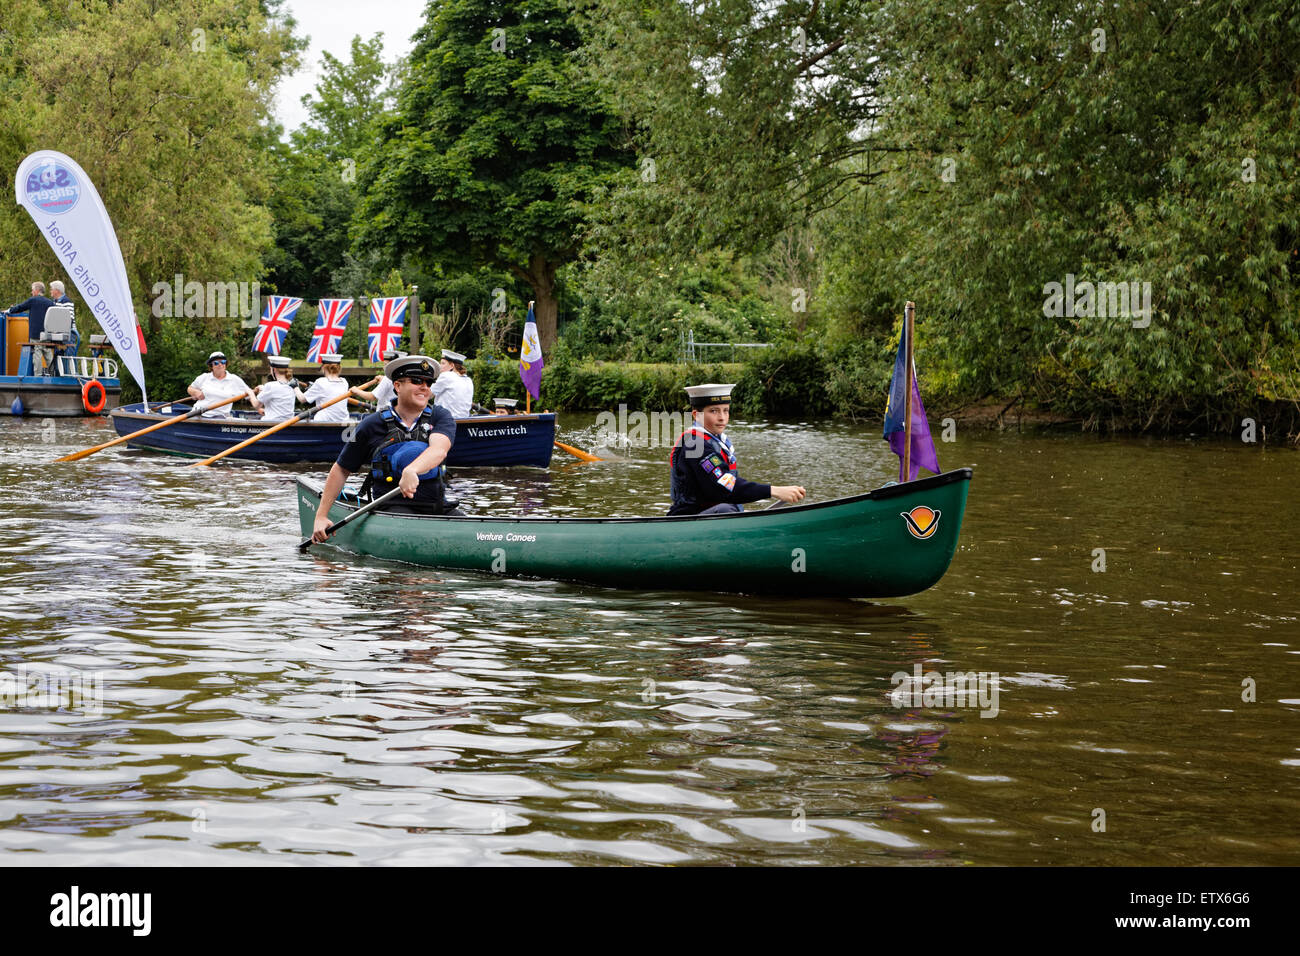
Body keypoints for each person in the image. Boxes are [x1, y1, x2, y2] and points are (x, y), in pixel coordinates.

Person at [311, 355, 460, 542]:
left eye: (429, 383)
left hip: (436, 506)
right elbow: (342, 468)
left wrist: (412, 469)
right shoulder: (371, 424)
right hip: (390, 510)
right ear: (397, 386)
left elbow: (439, 450)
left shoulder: (440, 416)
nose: (424, 387)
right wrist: (321, 516)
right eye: (416, 381)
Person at [667, 383, 806, 516]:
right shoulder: (695, 444)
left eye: (726, 411)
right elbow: (725, 486)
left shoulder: (715, 441)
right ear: (696, 415)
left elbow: (729, 486)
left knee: (732, 507)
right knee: (726, 509)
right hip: (689, 517)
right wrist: (773, 491)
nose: (722, 418)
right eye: (714, 411)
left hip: (710, 513)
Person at [188, 351, 261, 418]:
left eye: (223, 362)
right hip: (197, 413)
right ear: (211, 366)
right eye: (216, 363)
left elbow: (249, 394)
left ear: (226, 364)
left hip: (219, 416)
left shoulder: (234, 379)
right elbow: (190, 388)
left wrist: (259, 409)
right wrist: (195, 392)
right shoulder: (204, 377)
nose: (220, 365)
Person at [3, 281, 56, 374]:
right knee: (48, 355)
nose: (31, 292)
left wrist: (8, 311)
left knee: (37, 356)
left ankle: (38, 377)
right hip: (47, 335)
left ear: (36, 290)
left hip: (35, 335)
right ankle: (54, 375)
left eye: (32, 290)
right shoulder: (50, 302)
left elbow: (20, 307)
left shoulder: (32, 300)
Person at [299, 353, 352, 423]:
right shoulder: (344, 382)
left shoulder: (320, 382)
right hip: (343, 421)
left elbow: (302, 399)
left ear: (324, 367)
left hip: (323, 421)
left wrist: (295, 387)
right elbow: (329, 391)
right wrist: (314, 388)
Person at [253, 355, 303, 421]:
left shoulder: (270, 386)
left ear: (274, 369)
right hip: (288, 423)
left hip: (271, 424)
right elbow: (278, 401)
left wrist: (250, 393)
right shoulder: (293, 385)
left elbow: (256, 405)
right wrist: (263, 390)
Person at [432, 348, 474, 418]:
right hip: (464, 419)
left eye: (443, 363)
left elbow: (428, 394)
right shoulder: (468, 379)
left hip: (446, 420)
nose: (440, 366)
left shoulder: (446, 376)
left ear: (452, 366)